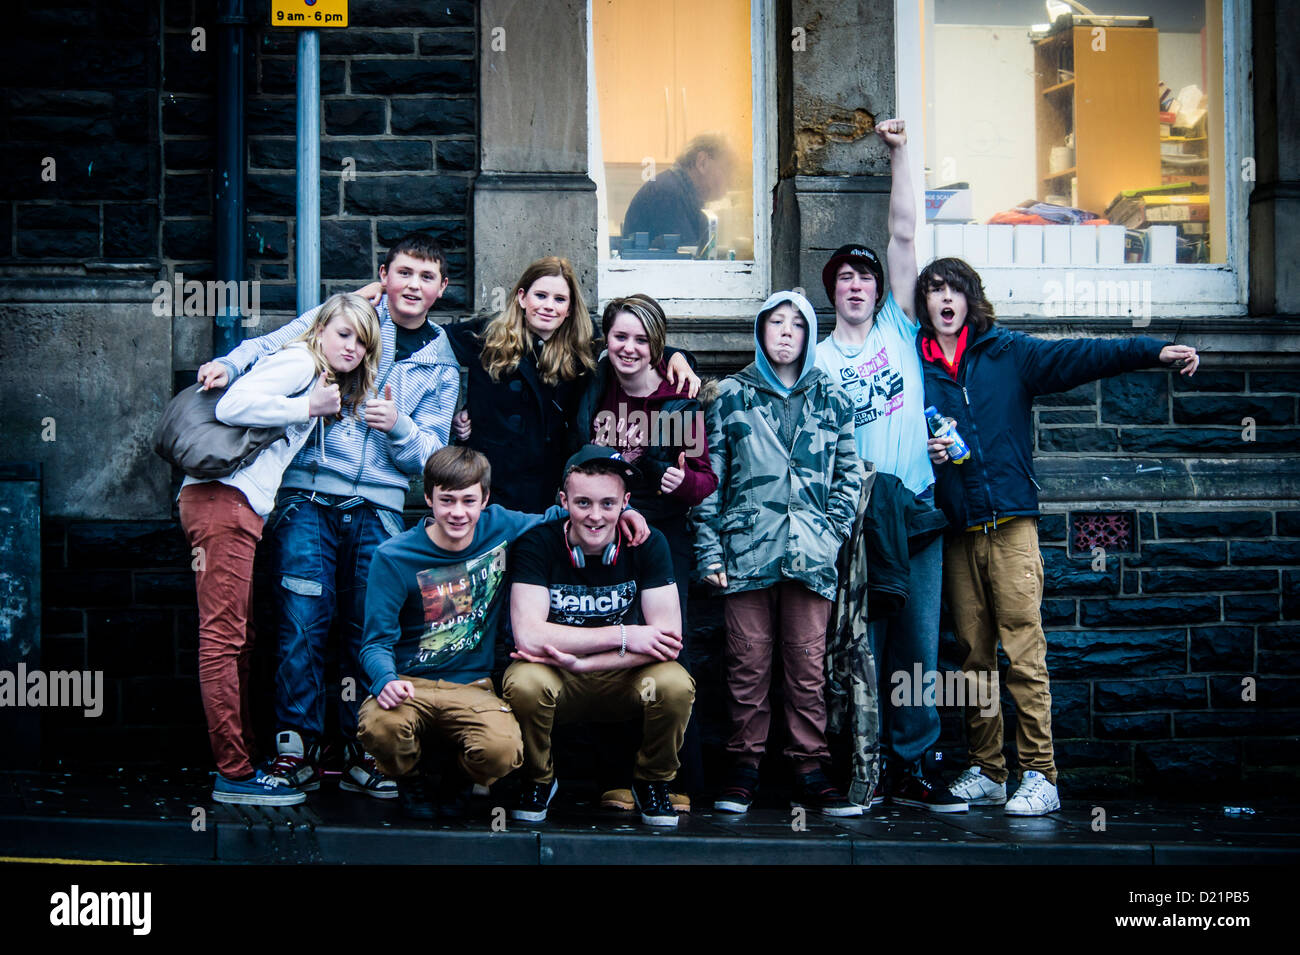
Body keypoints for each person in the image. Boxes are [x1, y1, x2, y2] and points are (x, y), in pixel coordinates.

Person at [917, 256, 1201, 816]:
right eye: (933, 291)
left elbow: (1084, 355)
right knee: (973, 656)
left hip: (1013, 526)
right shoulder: (916, 366)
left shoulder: (1009, 353)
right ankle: (989, 769)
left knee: (1024, 650)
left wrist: (1153, 350)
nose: (944, 299)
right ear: (923, 304)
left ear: (972, 299)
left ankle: (1040, 774)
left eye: (954, 289)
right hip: (956, 532)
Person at [195, 233, 461, 799]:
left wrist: (400, 429)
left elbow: (433, 460)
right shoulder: (351, 320)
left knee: (369, 628)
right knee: (301, 620)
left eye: (427, 277)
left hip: (383, 508)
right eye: (405, 273)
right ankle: (296, 746)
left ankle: (365, 745)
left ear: (442, 289)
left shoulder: (442, 365)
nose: (413, 285)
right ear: (384, 275)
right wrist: (226, 361)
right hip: (308, 497)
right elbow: (279, 341)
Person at [355, 446, 649, 819]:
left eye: (468, 500)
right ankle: (410, 776)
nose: (458, 512)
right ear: (427, 497)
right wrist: (384, 680)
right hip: (410, 683)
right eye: (446, 500)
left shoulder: (500, 527)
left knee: (504, 750)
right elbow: (374, 642)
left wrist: (626, 511)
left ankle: (461, 777)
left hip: (472, 685)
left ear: (485, 499)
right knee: (379, 728)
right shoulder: (394, 556)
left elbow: (565, 513)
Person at [813, 117, 965, 812]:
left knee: (918, 648)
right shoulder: (813, 357)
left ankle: (915, 763)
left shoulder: (898, 330)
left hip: (916, 509)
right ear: (830, 289)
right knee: (860, 650)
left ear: (878, 290)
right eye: (844, 276)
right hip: (853, 520)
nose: (856, 285)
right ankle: (865, 766)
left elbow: (905, 234)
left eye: (864, 276)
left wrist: (902, 152)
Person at [182, 293, 381, 805]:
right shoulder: (299, 362)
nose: (352, 347)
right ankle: (234, 773)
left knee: (239, 639)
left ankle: (243, 762)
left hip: (238, 506)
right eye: (343, 334)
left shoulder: (312, 366)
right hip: (224, 501)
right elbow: (231, 405)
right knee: (224, 640)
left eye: (362, 341)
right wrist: (306, 406)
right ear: (318, 332)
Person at [693, 290, 864, 817]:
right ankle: (743, 766)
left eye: (797, 324)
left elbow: (850, 476)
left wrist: (829, 534)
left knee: (807, 666)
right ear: (761, 332)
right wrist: (709, 552)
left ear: (810, 335)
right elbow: (709, 481)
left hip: (811, 557)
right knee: (747, 663)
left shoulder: (833, 397)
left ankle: (809, 767)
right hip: (746, 553)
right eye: (776, 322)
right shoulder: (730, 396)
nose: (786, 331)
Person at [571, 293, 717, 808]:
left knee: (667, 649)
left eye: (642, 339)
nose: (629, 348)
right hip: (603, 535)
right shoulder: (595, 385)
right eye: (620, 337)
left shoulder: (677, 400)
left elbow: (704, 479)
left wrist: (681, 483)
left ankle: (670, 777)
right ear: (605, 340)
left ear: (658, 345)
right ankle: (614, 777)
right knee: (612, 646)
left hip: (659, 540)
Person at [503, 447, 695, 827]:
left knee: (673, 684)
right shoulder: (538, 544)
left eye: (608, 503)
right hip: (556, 676)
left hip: (618, 676)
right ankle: (539, 779)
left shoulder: (648, 542)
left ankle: (652, 781)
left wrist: (585, 659)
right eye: (583, 503)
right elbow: (528, 635)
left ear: (626, 502)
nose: (595, 516)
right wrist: (627, 634)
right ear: (563, 501)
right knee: (524, 682)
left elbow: (669, 639)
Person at [434, 257, 700, 513]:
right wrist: (452, 410)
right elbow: (431, 344)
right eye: (541, 296)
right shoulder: (488, 335)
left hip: (546, 484)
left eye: (559, 299)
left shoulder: (581, 345)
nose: (549, 305)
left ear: (569, 309)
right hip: (491, 480)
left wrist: (676, 356)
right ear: (522, 297)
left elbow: (629, 346)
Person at [621, 134, 736, 252]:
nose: (731, 181)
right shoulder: (667, 193)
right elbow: (687, 259)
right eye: (726, 170)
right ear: (702, 162)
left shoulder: (677, 189)